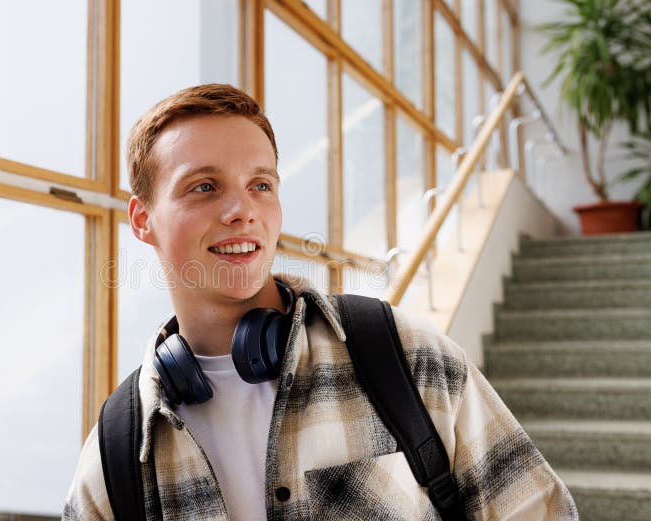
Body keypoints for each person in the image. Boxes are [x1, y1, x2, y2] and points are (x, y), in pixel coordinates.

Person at [63, 84, 578, 520]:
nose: (243, 210)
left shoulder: (405, 355)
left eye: (260, 184)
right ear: (142, 220)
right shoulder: (117, 450)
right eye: (204, 187)